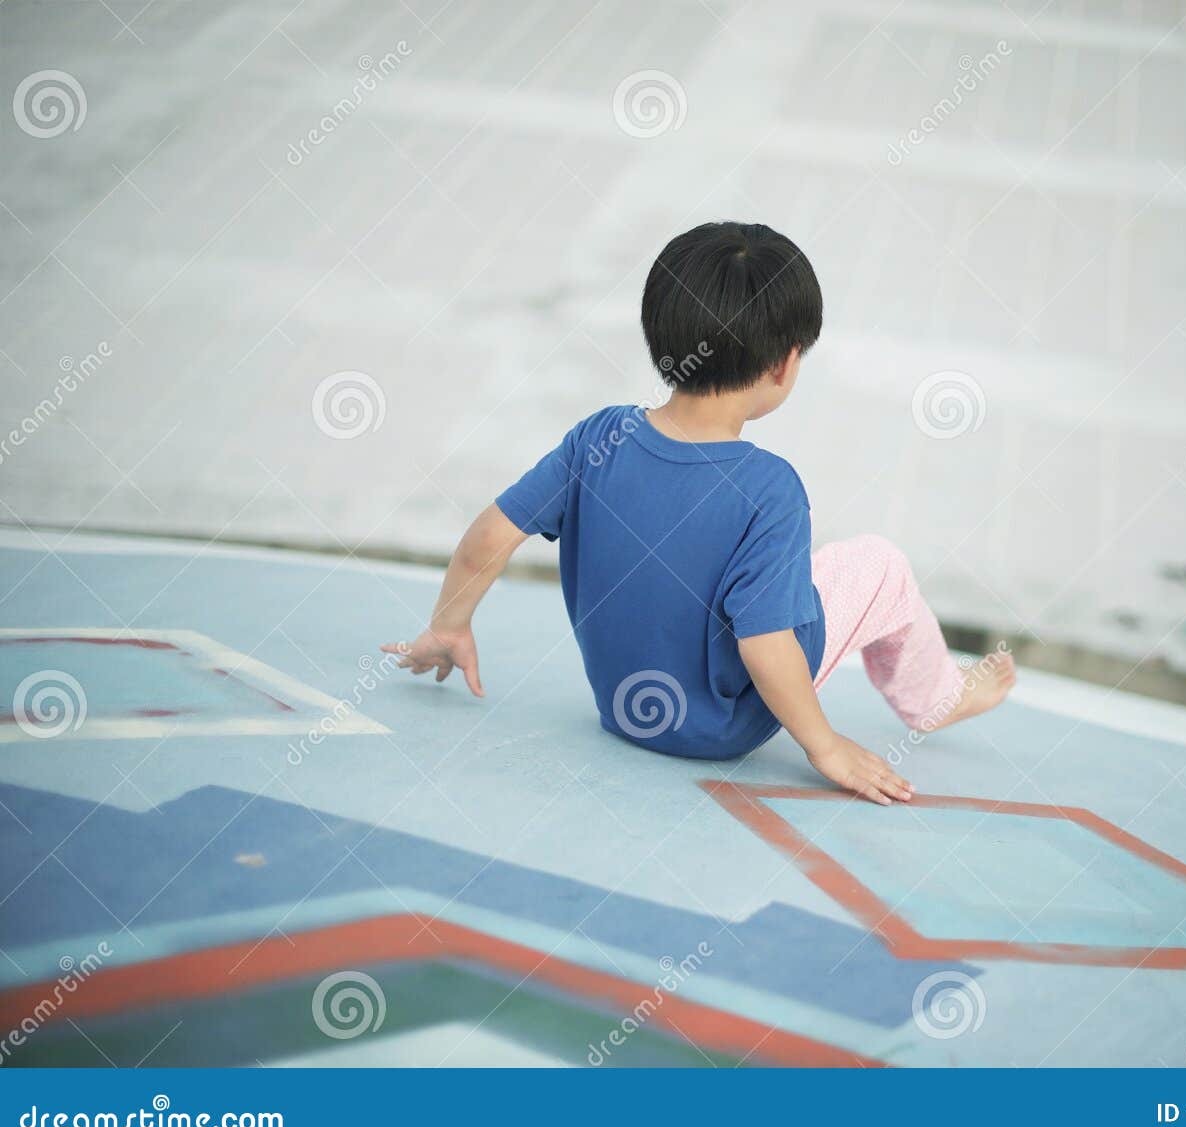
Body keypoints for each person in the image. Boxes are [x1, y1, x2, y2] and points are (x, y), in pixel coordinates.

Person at [383, 222, 1014, 804]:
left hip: (622, 708)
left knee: (789, 575)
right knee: (878, 566)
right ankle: (938, 696)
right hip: (725, 728)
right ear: (785, 363)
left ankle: (929, 686)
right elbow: (765, 640)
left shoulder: (598, 438)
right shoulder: (770, 487)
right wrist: (826, 747)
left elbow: (490, 534)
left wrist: (448, 626)